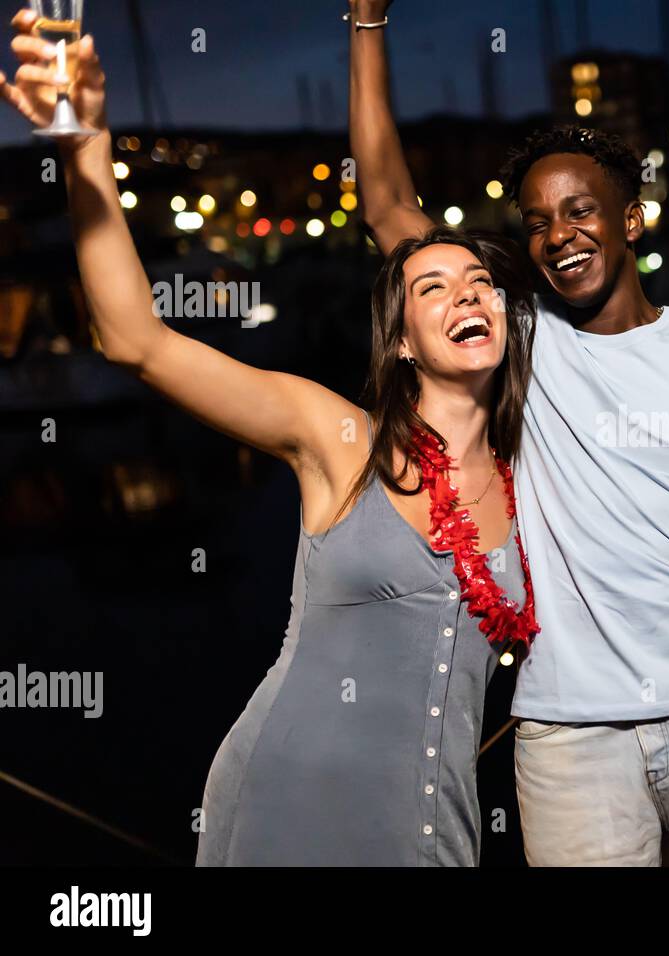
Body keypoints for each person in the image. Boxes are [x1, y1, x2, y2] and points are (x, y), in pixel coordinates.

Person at [3, 9, 539, 865]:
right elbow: (135, 340)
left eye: (479, 280)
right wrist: (85, 149)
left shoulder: (537, 480)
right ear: (402, 340)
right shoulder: (337, 438)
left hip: (439, 833)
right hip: (289, 809)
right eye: (431, 287)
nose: (465, 293)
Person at [349, 0, 669, 865]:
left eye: (580, 211)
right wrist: (368, 26)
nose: (558, 235)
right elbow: (387, 206)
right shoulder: (519, 338)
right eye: (535, 221)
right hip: (567, 739)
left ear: (632, 220)